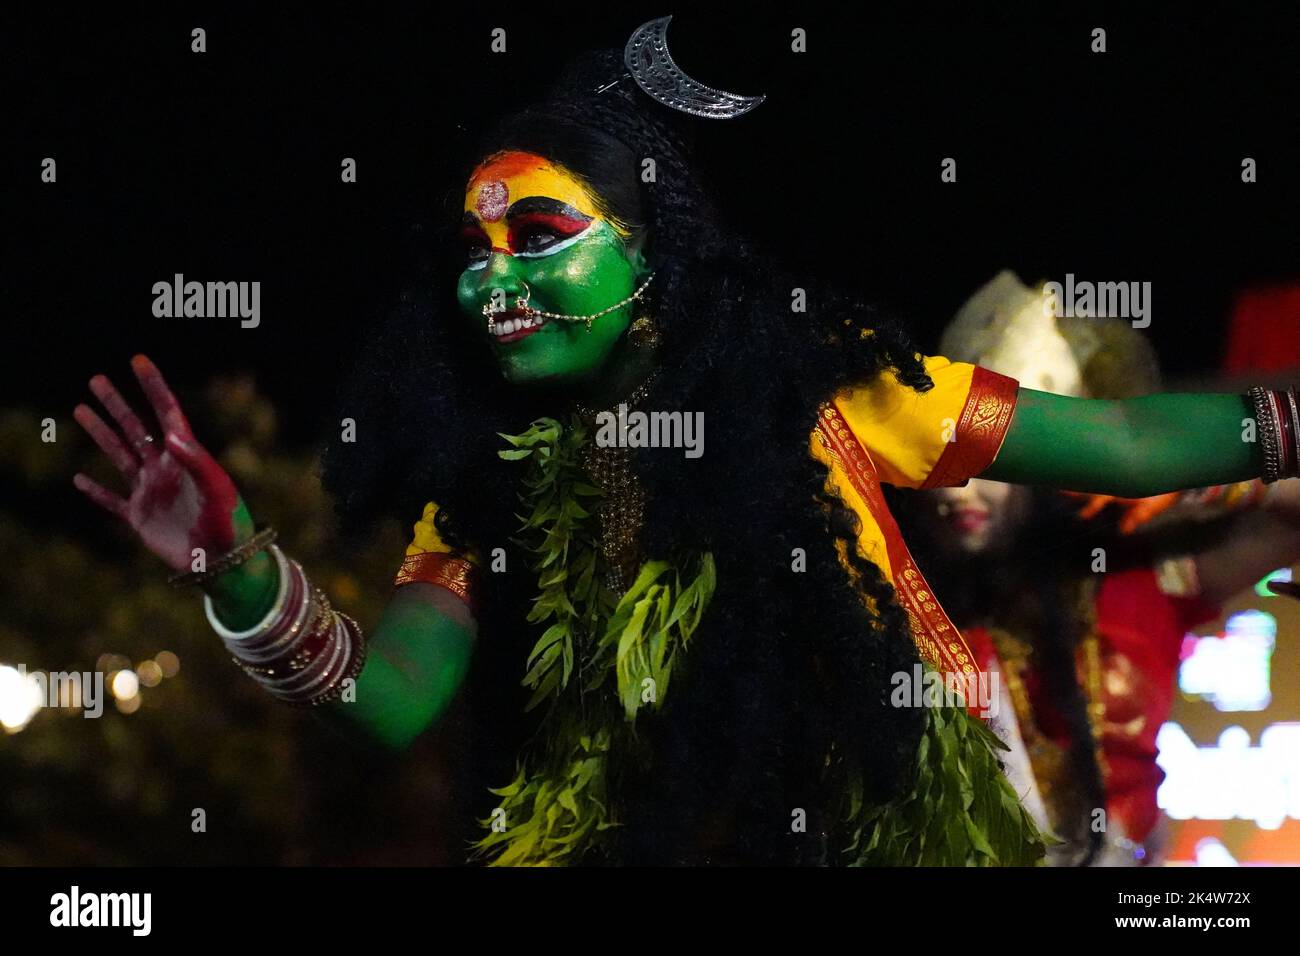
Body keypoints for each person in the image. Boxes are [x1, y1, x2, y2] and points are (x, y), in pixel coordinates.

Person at [70, 25, 1300, 865]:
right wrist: (237, 571)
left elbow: (1123, 437)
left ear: (651, 257)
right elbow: (385, 700)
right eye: (473, 252)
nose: (492, 277)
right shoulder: (482, 499)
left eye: (538, 235)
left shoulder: (830, 396)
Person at [900, 271, 1300, 864]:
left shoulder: (1143, 579)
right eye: (942, 465)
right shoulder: (898, 603)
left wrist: (1203, 486)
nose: (958, 493)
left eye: (989, 466)